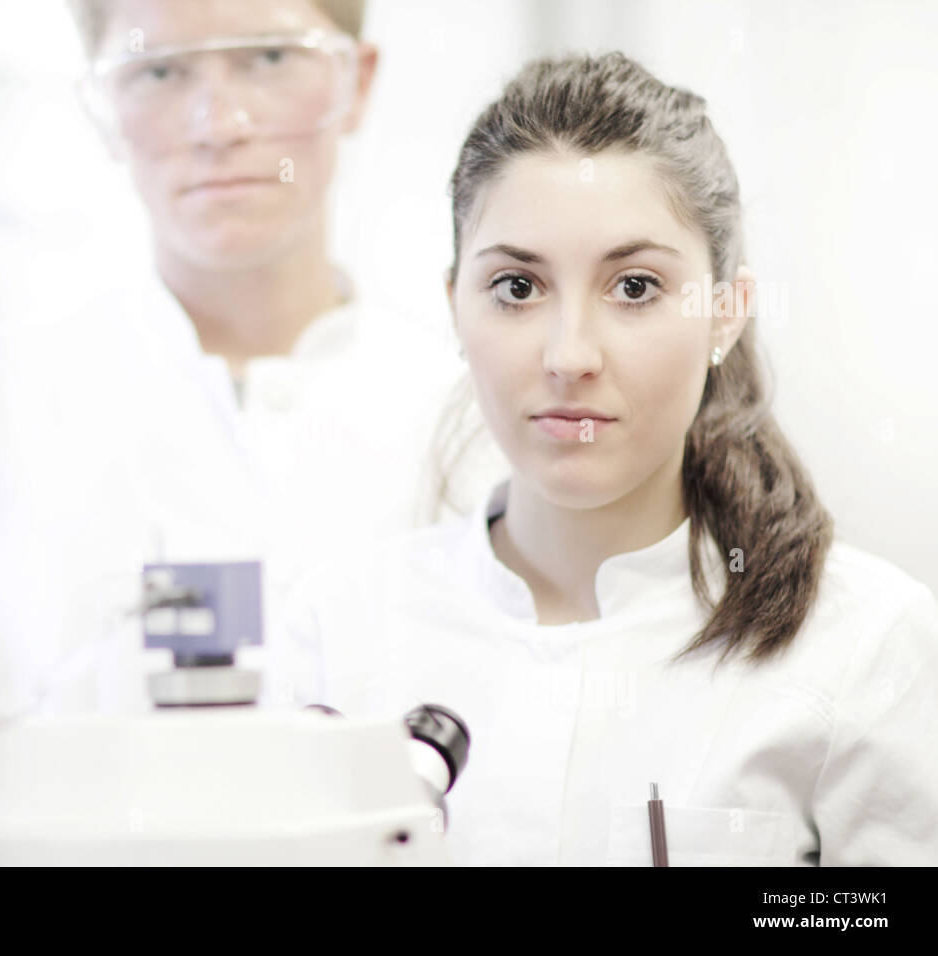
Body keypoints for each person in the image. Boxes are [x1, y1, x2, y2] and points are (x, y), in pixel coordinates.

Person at [0, 0, 499, 863]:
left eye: (268, 57)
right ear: (101, 107)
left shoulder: (476, 417)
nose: (217, 124)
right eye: (158, 71)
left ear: (358, 82)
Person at [266, 50, 938, 866]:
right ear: (455, 306)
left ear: (725, 312)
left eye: (634, 288)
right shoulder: (340, 634)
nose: (569, 355)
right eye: (517, 287)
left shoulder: (866, 645)